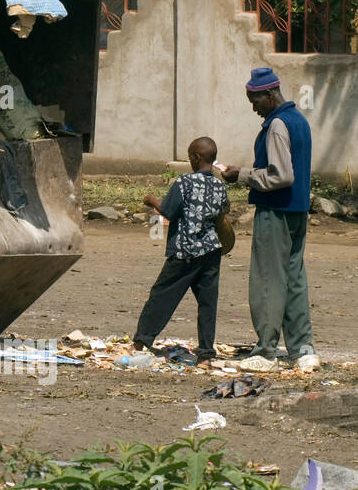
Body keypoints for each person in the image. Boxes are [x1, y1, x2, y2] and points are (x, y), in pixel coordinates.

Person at [222, 68, 318, 371]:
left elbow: (281, 175)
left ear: (270, 94)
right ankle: (303, 350)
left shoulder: (277, 125)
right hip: (298, 211)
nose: (254, 107)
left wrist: (242, 174)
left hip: (276, 210)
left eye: (255, 100)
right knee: (294, 279)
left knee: (267, 280)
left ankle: (265, 351)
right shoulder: (299, 121)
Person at [132, 136, 230, 368]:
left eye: (189, 156)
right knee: (207, 303)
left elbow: (168, 212)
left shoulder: (184, 182)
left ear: (196, 157)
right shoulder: (220, 185)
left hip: (185, 250)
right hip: (212, 251)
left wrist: (152, 200)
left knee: (162, 295)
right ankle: (205, 354)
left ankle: (140, 342)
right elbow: (222, 213)